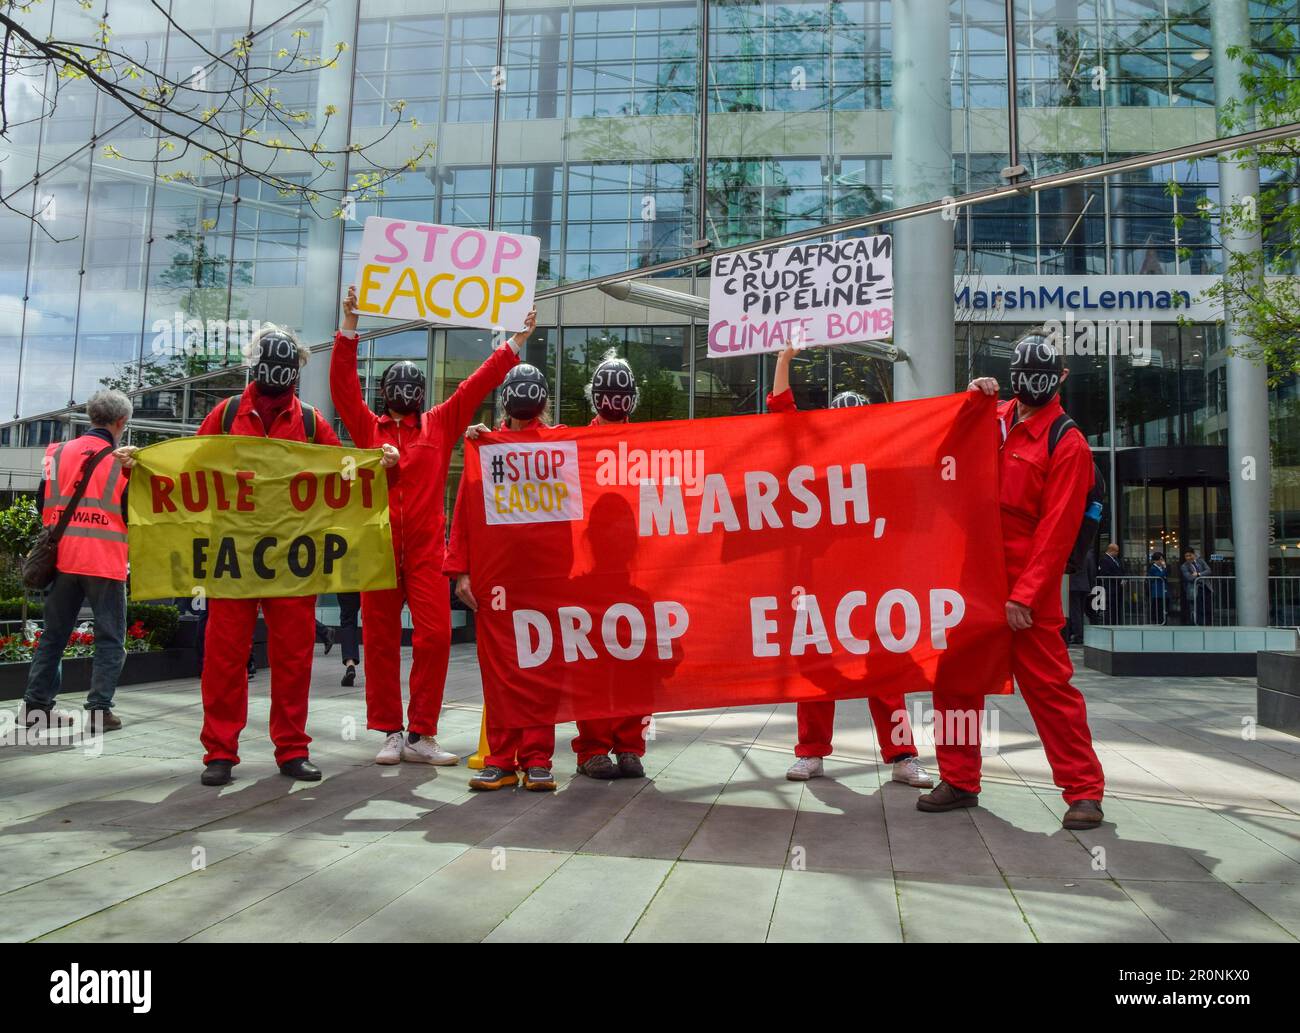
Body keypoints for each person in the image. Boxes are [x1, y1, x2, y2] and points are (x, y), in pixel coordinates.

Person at [331, 287, 535, 768]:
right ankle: (389, 731)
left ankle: (422, 732)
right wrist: (348, 327)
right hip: (378, 553)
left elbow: (476, 386)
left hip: (426, 554)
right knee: (380, 643)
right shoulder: (369, 429)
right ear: (386, 393)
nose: (406, 394)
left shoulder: (439, 424)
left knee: (435, 639)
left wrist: (516, 342)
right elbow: (342, 388)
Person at [192, 325, 397, 787]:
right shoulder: (224, 416)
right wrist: (140, 468)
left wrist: (375, 464)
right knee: (224, 658)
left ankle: (291, 749)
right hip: (234, 557)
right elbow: (190, 473)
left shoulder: (310, 422)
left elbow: (342, 476)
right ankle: (220, 752)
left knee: (293, 657)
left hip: (292, 560)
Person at [919, 330, 1106, 830]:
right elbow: (943, 455)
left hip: (1029, 589)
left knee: (1050, 689)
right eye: (1022, 380)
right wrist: (969, 401)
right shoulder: (994, 417)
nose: (1030, 388)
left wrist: (1025, 594)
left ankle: (1083, 792)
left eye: (1041, 380)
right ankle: (958, 779)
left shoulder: (1068, 443)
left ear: (1060, 378)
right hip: (973, 579)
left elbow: (1059, 526)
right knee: (954, 682)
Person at [766, 345, 933, 788]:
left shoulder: (883, 470)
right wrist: (784, 360)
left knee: (882, 670)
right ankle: (811, 752)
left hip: (869, 584)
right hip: (818, 584)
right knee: (816, 671)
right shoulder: (812, 464)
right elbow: (783, 415)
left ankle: (901, 755)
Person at [446, 362, 560, 792]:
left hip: (546, 577)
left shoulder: (560, 442)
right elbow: (466, 511)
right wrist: (460, 571)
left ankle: (537, 758)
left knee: (542, 668)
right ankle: (500, 758)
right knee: (499, 671)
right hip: (496, 579)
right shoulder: (484, 446)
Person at [20, 390, 135, 735]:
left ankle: (35, 707)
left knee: (53, 636)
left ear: (91, 417)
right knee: (109, 638)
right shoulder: (124, 461)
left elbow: (44, 503)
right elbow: (133, 512)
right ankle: (100, 710)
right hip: (104, 561)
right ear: (121, 423)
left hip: (63, 560)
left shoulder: (57, 453)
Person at [567, 351, 651, 780]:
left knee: (636, 659)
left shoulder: (652, 445)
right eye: (609, 392)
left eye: (621, 392)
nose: (615, 400)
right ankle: (592, 748)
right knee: (595, 661)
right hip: (593, 571)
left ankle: (630, 743)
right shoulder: (573, 443)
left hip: (634, 571)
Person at [1066, 547, 1096, 645]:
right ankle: (1079, 634)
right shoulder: (1088, 554)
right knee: (1080, 611)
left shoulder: (1071, 554)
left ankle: (1077, 635)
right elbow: (1092, 572)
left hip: (1073, 586)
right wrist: (1091, 586)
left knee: (1074, 611)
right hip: (1084, 586)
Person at [335, 591, 361, 685]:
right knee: (374, 620)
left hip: (348, 581)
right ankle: (377, 669)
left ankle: (350, 664)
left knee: (348, 620)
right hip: (370, 580)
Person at [1181, 549, 1211, 625]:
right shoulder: (1184, 566)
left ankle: (1208, 623)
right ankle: (1198, 624)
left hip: (1205, 587)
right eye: (1186, 556)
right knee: (1197, 607)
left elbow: (1208, 571)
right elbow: (1189, 578)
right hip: (1194, 589)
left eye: (1190, 555)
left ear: (1194, 555)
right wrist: (1196, 576)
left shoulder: (1200, 561)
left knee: (1207, 607)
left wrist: (1198, 574)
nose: (1188, 558)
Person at [1098, 543, 1123, 623]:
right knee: (1110, 606)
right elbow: (1105, 573)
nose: (1117, 553)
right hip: (1110, 587)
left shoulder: (1116, 560)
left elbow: (1120, 570)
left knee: (1115, 606)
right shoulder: (1104, 559)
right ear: (1111, 550)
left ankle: (1116, 621)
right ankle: (1110, 622)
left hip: (1117, 587)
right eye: (1116, 551)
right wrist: (1118, 579)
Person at [1147, 552, 1168, 624]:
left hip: (1163, 590)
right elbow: (1159, 576)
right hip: (1157, 591)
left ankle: (1163, 620)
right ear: (1155, 561)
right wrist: (1164, 568)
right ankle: (1157, 621)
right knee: (1157, 607)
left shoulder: (1161, 567)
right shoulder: (1153, 568)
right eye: (1160, 559)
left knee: (1163, 606)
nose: (1162, 561)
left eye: (1162, 559)